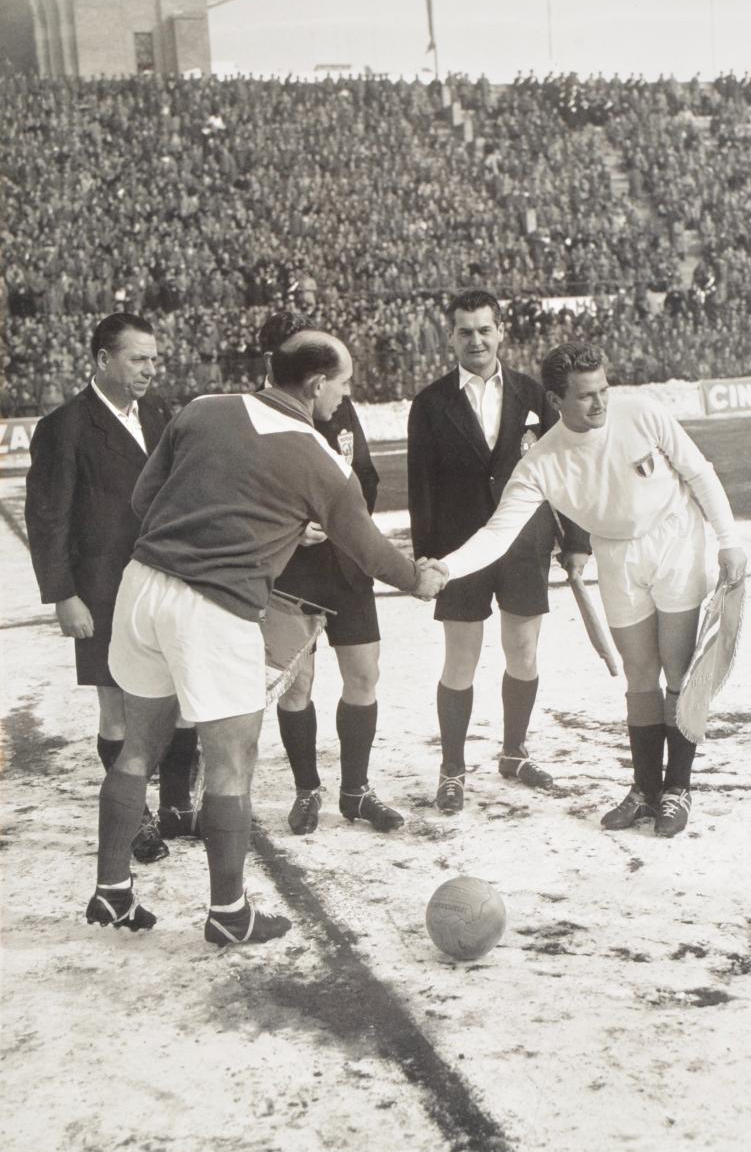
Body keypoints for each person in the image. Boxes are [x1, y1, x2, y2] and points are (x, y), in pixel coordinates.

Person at [87, 329, 445, 945]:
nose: (345, 395)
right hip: (213, 608)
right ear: (314, 385)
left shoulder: (202, 408)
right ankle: (229, 913)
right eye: (344, 384)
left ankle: (111, 891)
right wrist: (421, 578)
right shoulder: (322, 462)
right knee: (232, 765)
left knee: (136, 751)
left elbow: (145, 499)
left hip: (143, 586)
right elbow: (369, 554)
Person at [436, 341, 747, 838]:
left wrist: (729, 541)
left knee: (678, 671)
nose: (601, 403)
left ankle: (678, 788)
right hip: (616, 553)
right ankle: (644, 791)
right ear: (555, 401)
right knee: (639, 674)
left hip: (675, 540)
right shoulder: (541, 461)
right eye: (585, 396)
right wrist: (446, 569)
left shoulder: (643, 413)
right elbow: (497, 535)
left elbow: (698, 471)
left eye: (604, 389)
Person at [24, 313, 198, 863]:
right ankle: (137, 818)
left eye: (153, 358)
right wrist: (62, 595)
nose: (151, 368)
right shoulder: (64, 427)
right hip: (103, 588)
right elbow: (47, 518)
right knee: (118, 704)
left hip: (166, 577)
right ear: (103, 360)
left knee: (178, 695)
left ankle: (175, 807)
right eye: (138, 358)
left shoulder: (160, 411)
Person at [407, 289, 589, 814]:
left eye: (484, 329)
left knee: (524, 652)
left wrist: (576, 542)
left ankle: (514, 751)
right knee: (459, 660)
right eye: (465, 331)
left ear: (501, 331)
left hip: (524, 544)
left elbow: (565, 473)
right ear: (451, 337)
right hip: (460, 550)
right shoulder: (430, 403)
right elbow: (420, 490)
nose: (476, 339)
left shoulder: (535, 395)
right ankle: (452, 768)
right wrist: (426, 562)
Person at [257, 311, 402, 836]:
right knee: (298, 688)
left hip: (346, 561)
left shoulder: (340, 405)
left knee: (364, 674)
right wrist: (293, 528)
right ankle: (306, 788)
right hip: (291, 571)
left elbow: (365, 472)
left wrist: (343, 520)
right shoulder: (257, 415)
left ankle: (356, 791)